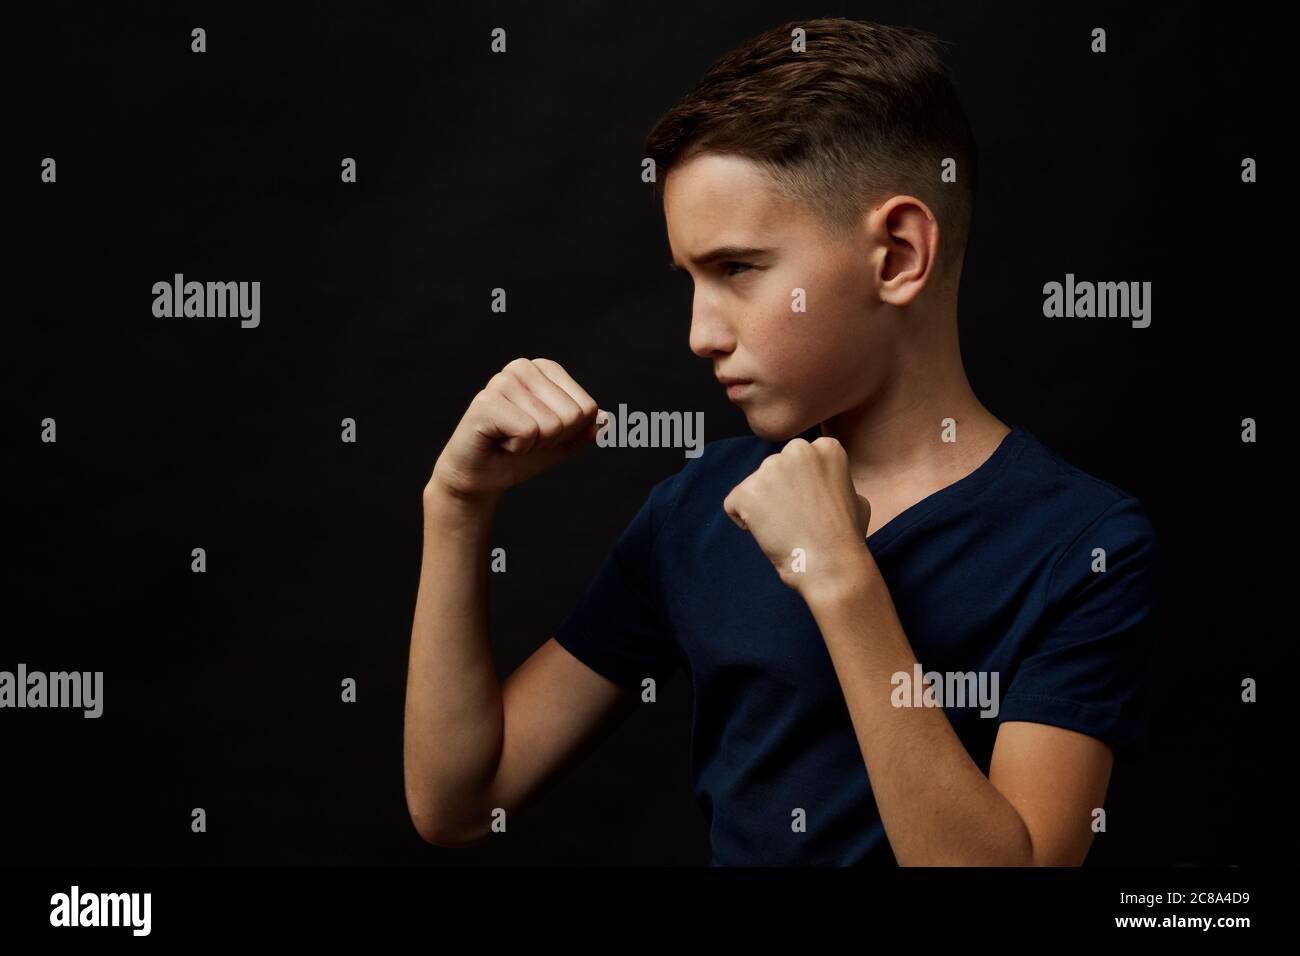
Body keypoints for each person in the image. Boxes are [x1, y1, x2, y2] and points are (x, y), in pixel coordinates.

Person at [403, 17, 1165, 865]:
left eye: (737, 269)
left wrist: (840, 578)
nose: (699, 334)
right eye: (688, 279)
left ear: (898, 256)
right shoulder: (699, 507)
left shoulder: (1085, 546)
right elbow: (460, 803)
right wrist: (459, 507)